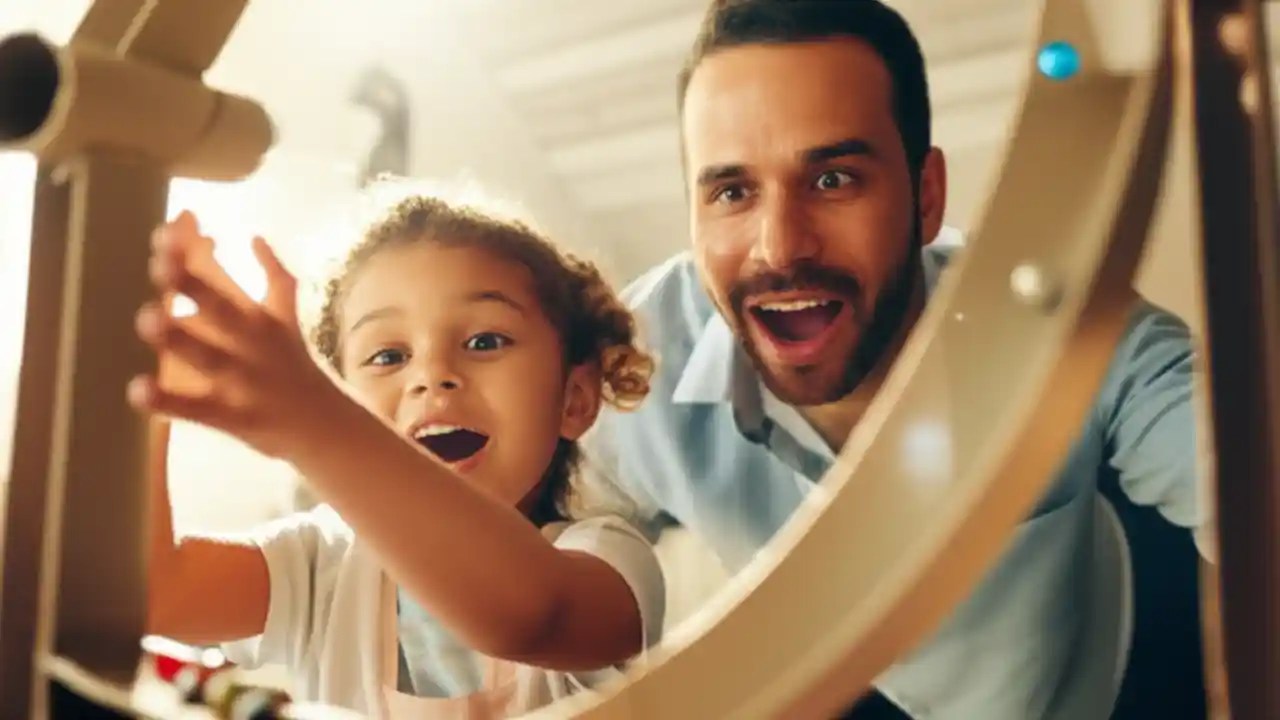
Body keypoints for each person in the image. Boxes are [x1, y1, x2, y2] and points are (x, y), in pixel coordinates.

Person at [582, 1, 1207, 718]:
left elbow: (1235, 462)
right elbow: (554, 515)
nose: (780, 247)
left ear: (926, 196)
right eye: (732, 192)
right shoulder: (637, 355)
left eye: (833, 180)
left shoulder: (1058, 315)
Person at [135, 196, 665, 717]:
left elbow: (530, 618)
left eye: (484, 341)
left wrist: (316, 423)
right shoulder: (318, 562)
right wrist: (143, 388)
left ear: (574, 400)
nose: (431, 375)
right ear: (343, 390)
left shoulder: (611, 559)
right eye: (388, 355)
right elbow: (157, 594)